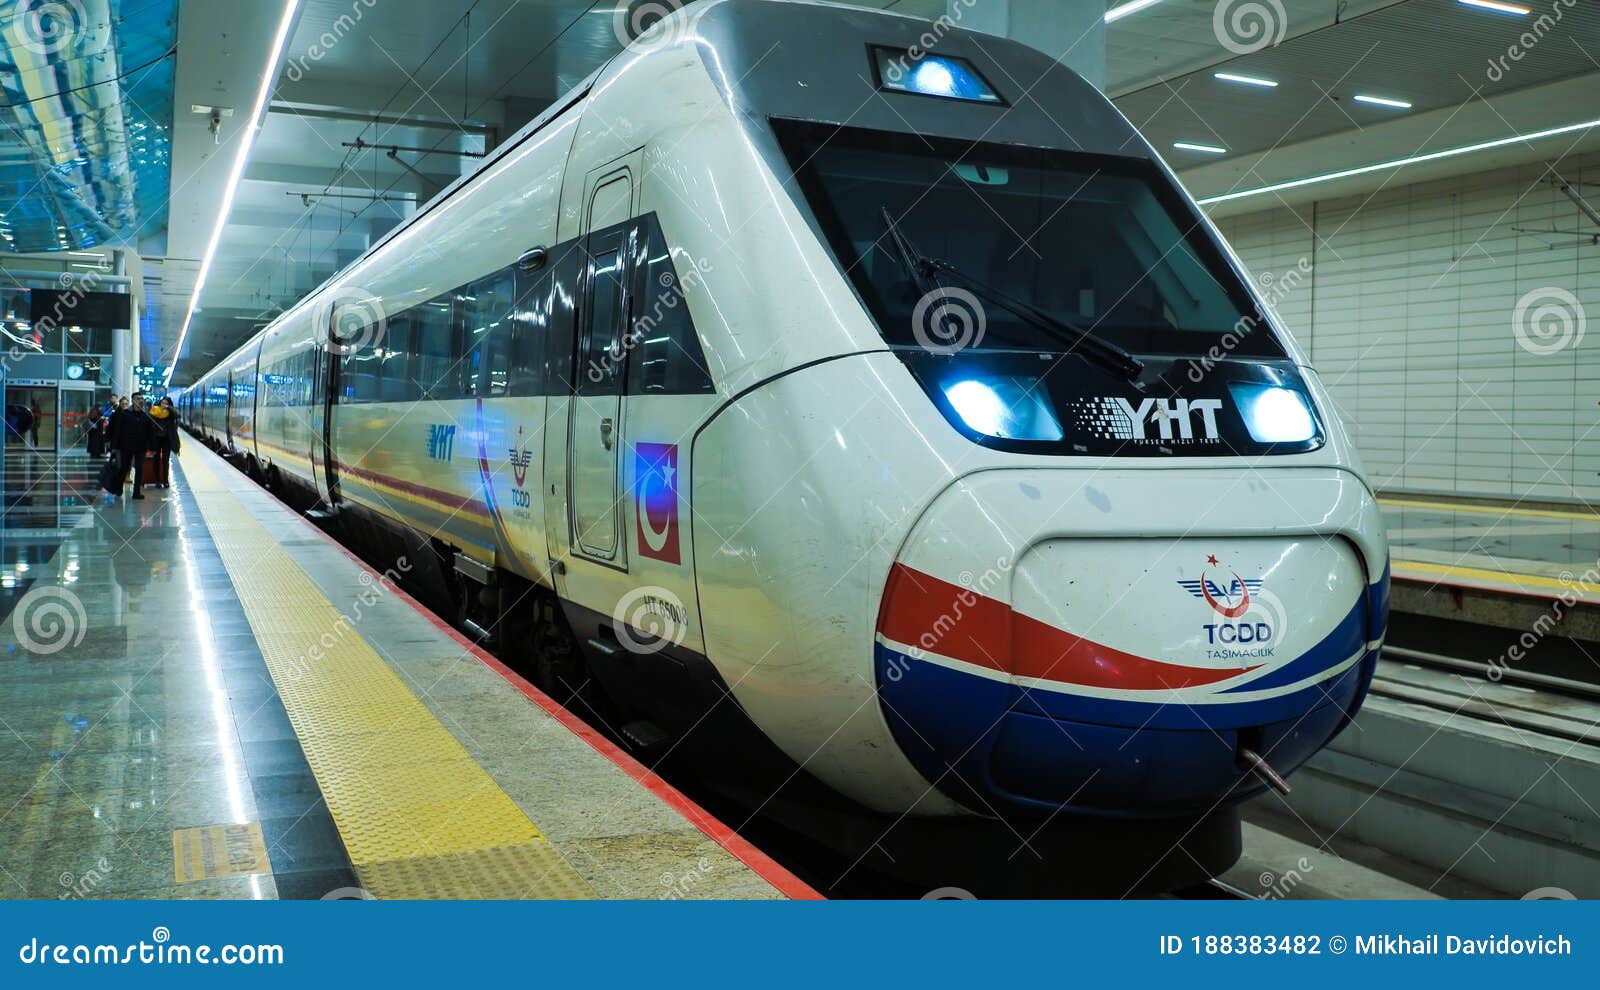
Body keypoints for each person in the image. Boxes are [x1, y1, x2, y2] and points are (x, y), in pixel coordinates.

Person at [107, 392, 158, 501]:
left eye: (141, 398)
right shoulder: (125, 414)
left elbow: (151, 433)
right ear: (133, 400)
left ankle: (136, 492)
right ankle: (119, 488)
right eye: (138, 398)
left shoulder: (146, 416)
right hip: (126, 446)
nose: (140, 400)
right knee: (124, 468)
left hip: (141, 447)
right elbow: (118, 431)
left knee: (139, 469)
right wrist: (114, 446)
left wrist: (153, 448)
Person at [150, 396, 180, 488]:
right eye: (162, 403)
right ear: (159, 403)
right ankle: (157, 481)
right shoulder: (154, 411)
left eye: (166, 403)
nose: (164, 405)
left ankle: (165, 480)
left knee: (165, 460)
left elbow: (177, 415)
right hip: (156, 439)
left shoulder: (170, 413)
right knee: (156, 460)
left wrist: (169, 408)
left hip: (167, 439)